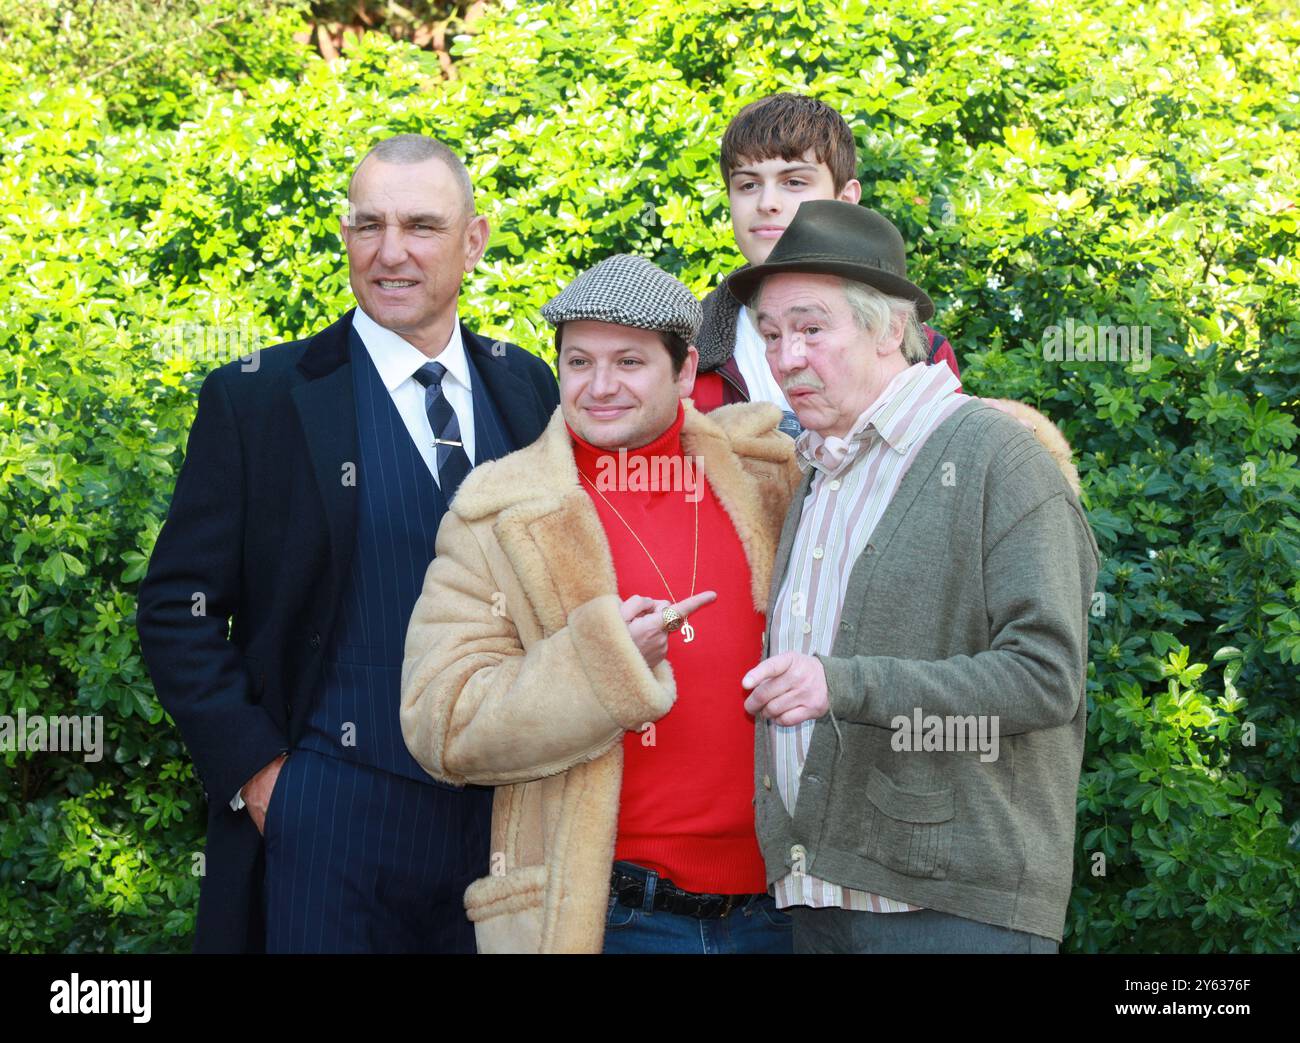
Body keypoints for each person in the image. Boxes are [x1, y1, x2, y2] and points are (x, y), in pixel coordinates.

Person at [135, 134, 559, 953]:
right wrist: (265, 779)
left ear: (474, 239)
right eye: (368, 225)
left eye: (421, 227)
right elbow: (175, 609)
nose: (390, 252)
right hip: (327, 824)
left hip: (504, 828)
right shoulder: (257, 398)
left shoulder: (527, 384)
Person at [399, 254, 803, 953]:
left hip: (784, 912)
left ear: (684, 373)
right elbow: (442, 722)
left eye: (628, 362)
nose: (600, 385)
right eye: (579, 362)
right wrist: (597, 664)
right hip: (613, 916)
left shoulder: (770, 475)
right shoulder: (498, 513)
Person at [734, 199, 1099, 953]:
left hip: (953, 913)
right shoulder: (818, 473)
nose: (785, 357)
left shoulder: (1001, 456)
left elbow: (1045, 678)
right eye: (770, 334)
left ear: (888, 328)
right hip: (819, 899)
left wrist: (844, 684)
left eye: (810, 327)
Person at [691, 92, 961, 428]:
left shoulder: (923, 352)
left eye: (794, 182)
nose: (767, 203)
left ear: (845, 199)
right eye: (748, 185)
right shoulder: (681, 352)